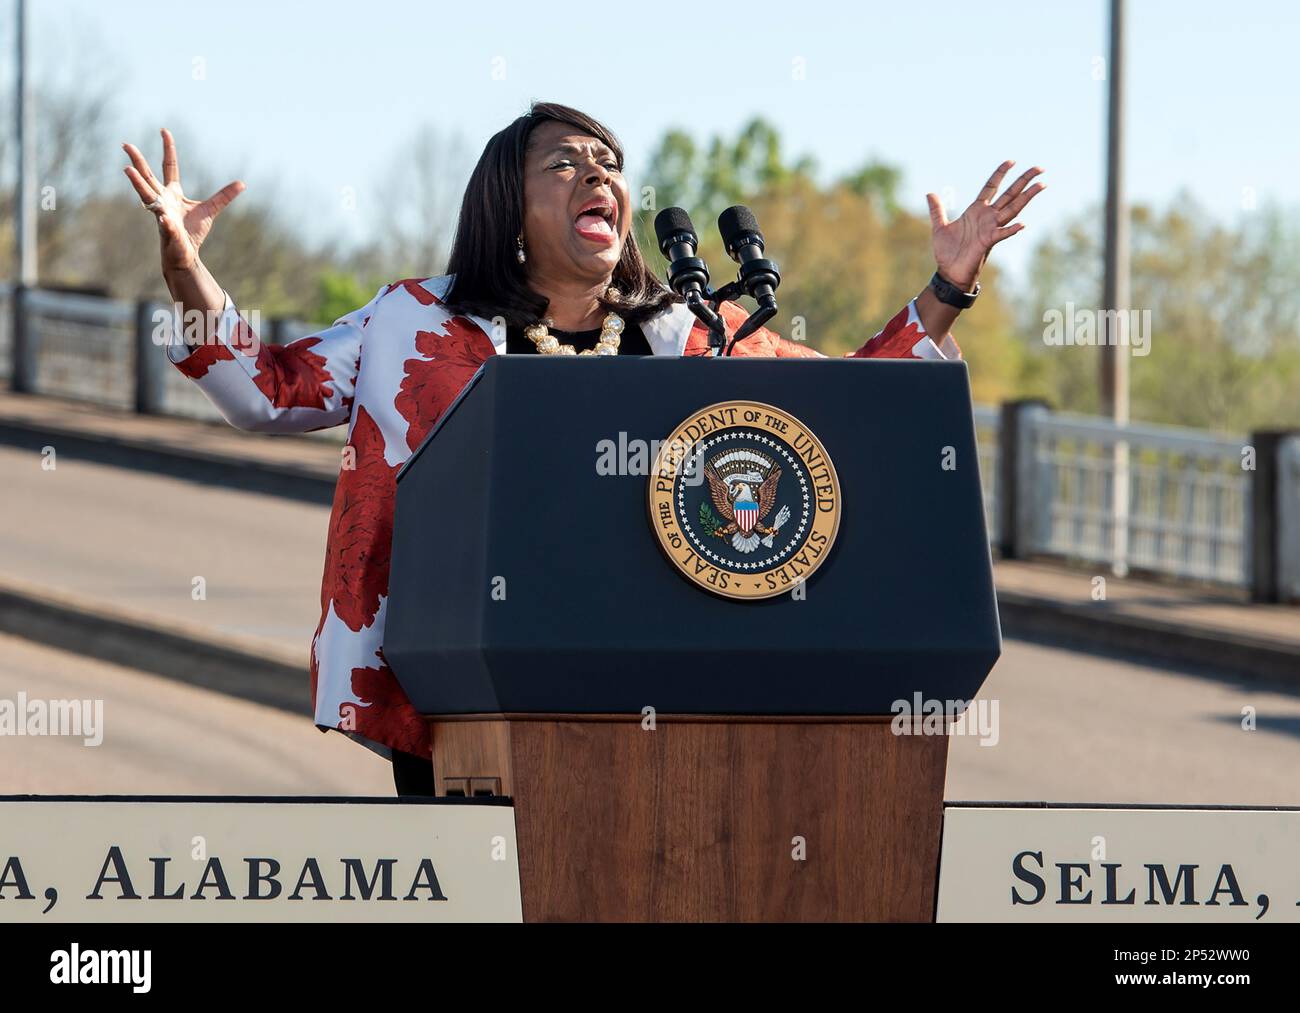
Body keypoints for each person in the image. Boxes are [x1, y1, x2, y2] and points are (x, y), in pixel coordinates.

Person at [121, 102, 1044, 796]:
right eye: (565, 163)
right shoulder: (415, 321)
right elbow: (267, 390)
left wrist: (945, 290)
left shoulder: (689, 333)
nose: (597, 176)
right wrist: (188, 271)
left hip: (666, 697)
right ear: (508, 205)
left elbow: (843, 405)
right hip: (458, 698)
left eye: (609, 164)